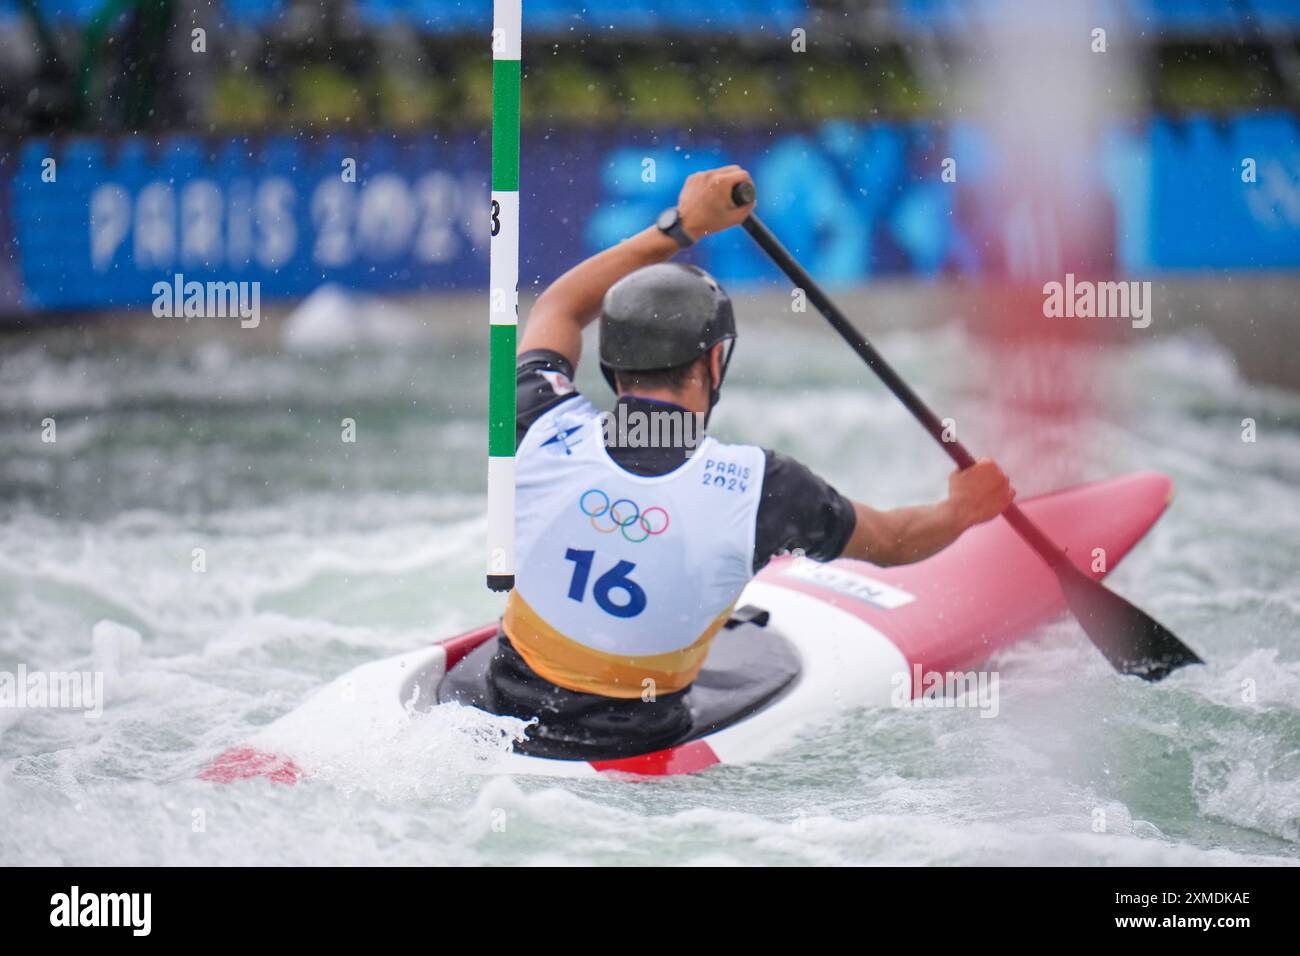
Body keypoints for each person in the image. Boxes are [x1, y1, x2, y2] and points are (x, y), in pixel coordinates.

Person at [487, 164, 1015, 757]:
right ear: (714, 365)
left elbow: (558, 305)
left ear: (611, 367)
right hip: (632, 743)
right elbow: (893, 542)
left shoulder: (536, 422)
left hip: (503, 709)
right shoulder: (765, 488)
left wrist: (680, 228)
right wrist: (963, 510)